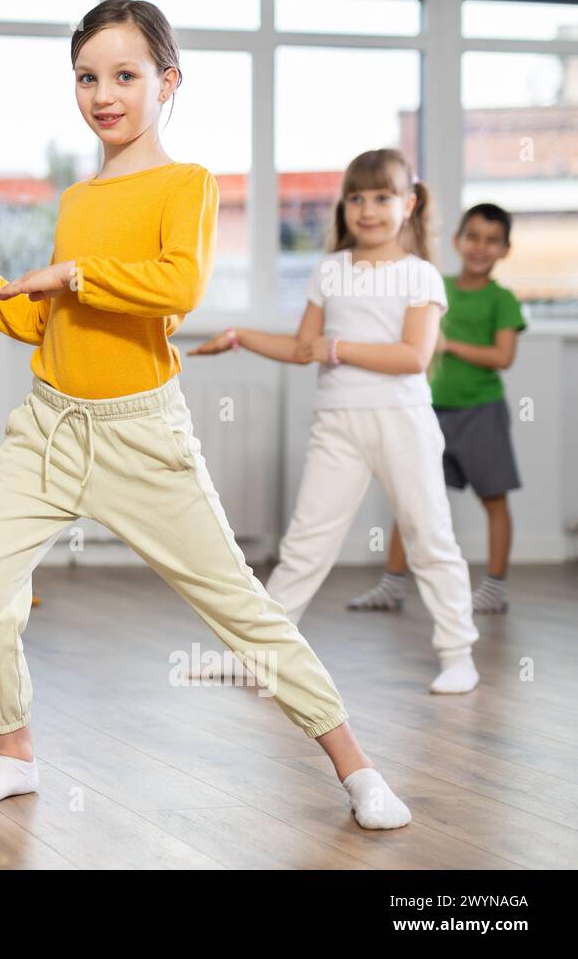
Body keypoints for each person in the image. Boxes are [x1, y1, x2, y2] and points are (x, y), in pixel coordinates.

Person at [0, 0, 411, 830]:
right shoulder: (77, 198)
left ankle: (356, 766)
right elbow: (47, 320)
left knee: (238, 604)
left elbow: (176, 286)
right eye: (87, 77)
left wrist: (70, 275)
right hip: (48, 427)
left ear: (167, 82)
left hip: (140, 433)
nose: (104, 93)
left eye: (125, 75)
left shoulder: (186, 184)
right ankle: (14, 756)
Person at [193, 148, 479, 695]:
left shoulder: (420, 276)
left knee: (429, 536)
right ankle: (260, 656)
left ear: (409, 205)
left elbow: (412, 358)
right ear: (343, 207)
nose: (367, 210)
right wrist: (238, 337)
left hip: (402, 422)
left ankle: (457, 653)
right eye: (355, 198)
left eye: (381, 197)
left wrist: (338, 347)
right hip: (338, 425)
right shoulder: (330, 271)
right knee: (305, 544)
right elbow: (306, 349)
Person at [349, 203, 525, 615]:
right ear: (457, 241)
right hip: (428, 412)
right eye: (474, 237)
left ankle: (494, 587)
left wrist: (448, 345)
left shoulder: (503, 300)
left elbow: (502, 356)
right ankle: (392, 584)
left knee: (494, 500)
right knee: (411, 498)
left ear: (505, 249)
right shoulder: (433, 285)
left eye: (492, 240)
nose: (481, 247)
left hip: (482, 413)